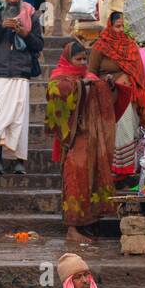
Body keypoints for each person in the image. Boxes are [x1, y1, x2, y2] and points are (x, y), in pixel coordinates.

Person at [46, 41, 114, 243]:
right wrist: (78, 86)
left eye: (85, 59)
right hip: (73, 139)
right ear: (68, 59)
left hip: (92, 139)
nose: (82, 63)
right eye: (78, 59)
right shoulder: (58, 77)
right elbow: (55, 98)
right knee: (75, 180)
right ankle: (72, 228)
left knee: (93, 179)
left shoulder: (89, 78)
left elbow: (101, 92)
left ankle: (90, 223)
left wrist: (106, 84)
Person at [0, 0, 43, 175]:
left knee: (19, 119)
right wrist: (1, 27)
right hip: (0, 72)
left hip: (21, 72)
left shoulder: (31, 16)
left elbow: (38, 45)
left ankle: (19, 161)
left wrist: (25, 33)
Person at [88, 10, 145, 181]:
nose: (121, 30)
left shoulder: (131, 46)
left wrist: (128, 80)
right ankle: (112, 172)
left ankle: (126, 171)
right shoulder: (100, 46)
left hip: (129, 98)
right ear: (110, 26)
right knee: (113, 135)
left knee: (127, 132)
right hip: (108, 98)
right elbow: (90, 75)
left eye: (124, 27)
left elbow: (139, 75)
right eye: (117, 26)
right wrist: (109, 79)